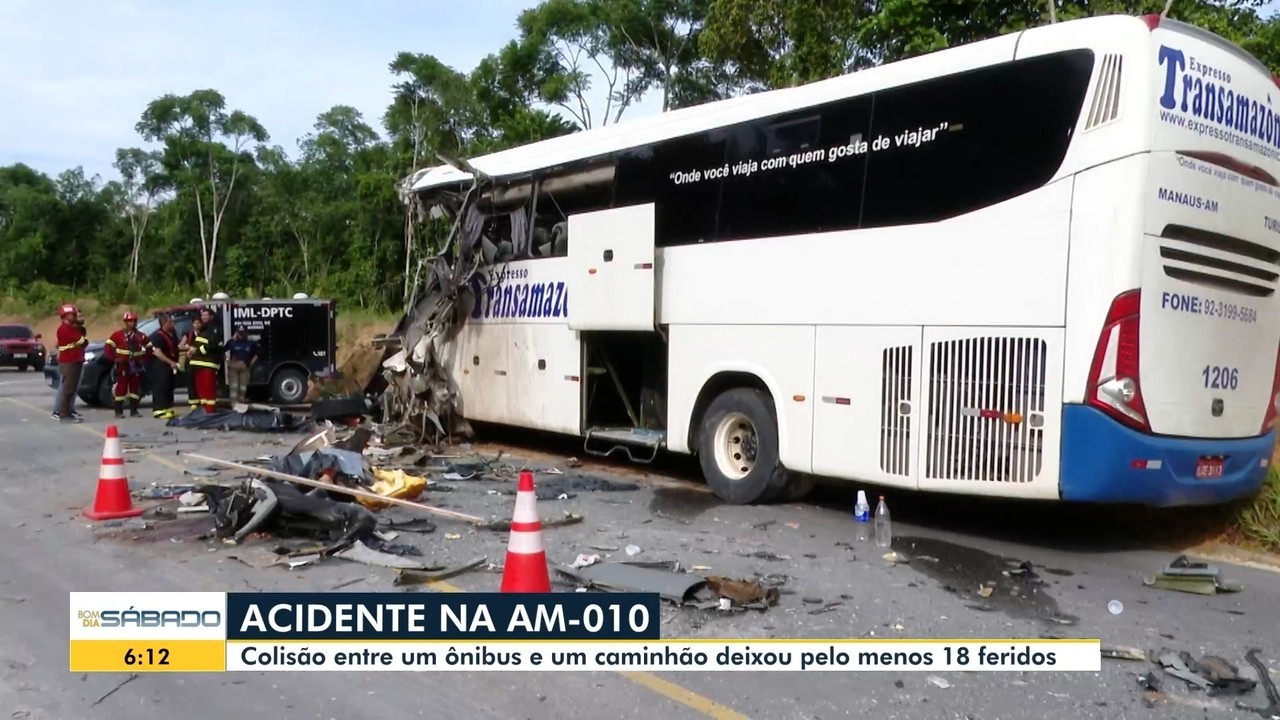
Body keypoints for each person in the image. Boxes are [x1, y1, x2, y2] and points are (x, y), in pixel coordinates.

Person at [104, 312, 152, 418]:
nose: (133, 323)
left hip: (136, 365)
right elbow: (108, 347)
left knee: (135, 388)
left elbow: (149, 347)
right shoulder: (117, 335)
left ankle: (134, 411)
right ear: (126, 322)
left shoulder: (141, 336)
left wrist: (144, 359)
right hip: (123, 365)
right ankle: (118, 411)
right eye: (131, 321)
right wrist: (114, 359)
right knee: (121, 388)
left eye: (135, 321)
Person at [53, 304, 87, 423]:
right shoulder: (64, 329)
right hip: (69, 361)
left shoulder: (72, 327)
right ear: (66, 316)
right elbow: (82, 340)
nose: (75, 316)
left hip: (75, 359)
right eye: (72, 314)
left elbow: (83, 339)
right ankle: (63, 414)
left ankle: (68, 412)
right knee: (67, 389)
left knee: (71, 389)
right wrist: (81, 340)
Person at [187, 306, 223, 413]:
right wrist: (191, 350)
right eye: (202, 315)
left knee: (208, 390)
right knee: (201, 390)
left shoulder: (214, 328)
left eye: (206, 315)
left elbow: (212, 345)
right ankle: (204, 410)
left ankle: (210, 411)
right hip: (198, 365)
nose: (203, 317)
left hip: (208, 365)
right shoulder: (204, 329)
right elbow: (199, 344)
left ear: (211, 316)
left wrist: (196, 351)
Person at [148, 313, 181, 420]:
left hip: (170, 365)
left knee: (168, 386)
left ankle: (167, 407)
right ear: (164, 323)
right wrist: (170, 362)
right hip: (160, 365)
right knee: (160, 386)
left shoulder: (172, 334)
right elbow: (157, 352)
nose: (173, 323)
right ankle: (158, 409)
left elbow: (176, 347)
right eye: (170, 322)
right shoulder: (157, 336)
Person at [224, 326, 260, 403]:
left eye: (243, 333)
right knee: (234, 387)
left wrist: (251, 363)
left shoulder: (251, 342)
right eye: (240, 333)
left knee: (243, 388)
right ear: (237, 333)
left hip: (245, 367)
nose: (241, 335)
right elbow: (222, 350)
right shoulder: (232, 342)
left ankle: (241, 403)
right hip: (233, 367)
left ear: (246, 333)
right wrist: (227, 360)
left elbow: (257, 353)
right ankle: (234, 404)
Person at [178, 316, 202, 411]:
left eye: (198, 323)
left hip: (201, 361)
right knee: (191, 382)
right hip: (190, 362)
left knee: (200, 381)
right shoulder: (189, 335)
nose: (197, 325)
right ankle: (193, 401)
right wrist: (189, 347)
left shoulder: (203, 334)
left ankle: (201, 399)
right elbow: (180, 346)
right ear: (192, 324)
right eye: (195, 323)